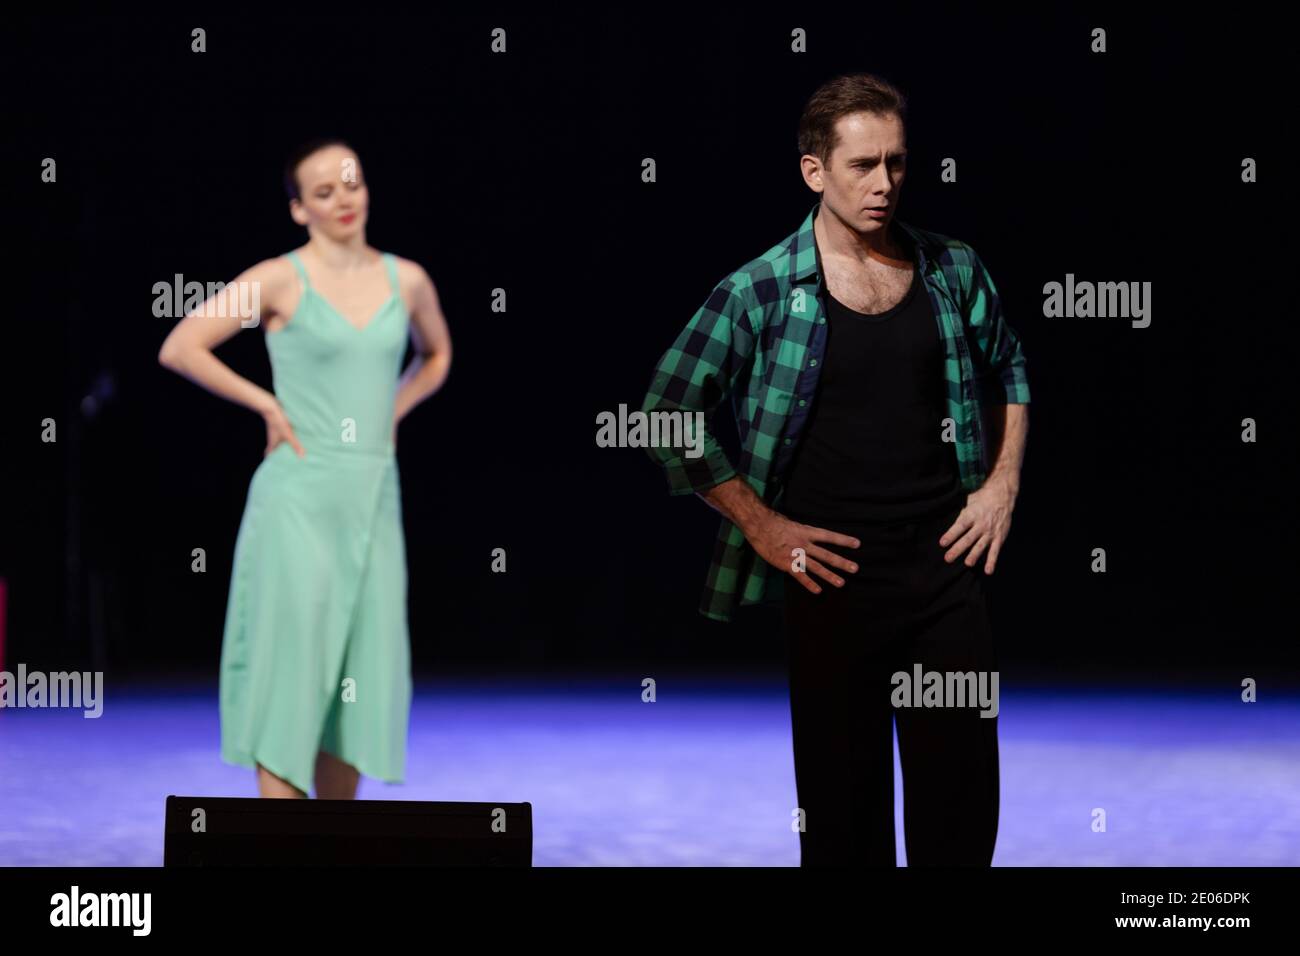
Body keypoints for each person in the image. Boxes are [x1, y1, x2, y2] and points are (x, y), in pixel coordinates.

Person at [639, 74, 1030, 864]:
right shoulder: (760, 290)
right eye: (862, 166)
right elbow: (664, 412)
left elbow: (1010, 367)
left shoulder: (951, 268)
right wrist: (761, 523)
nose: (884, 183)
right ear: (815, 171)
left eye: (896, 162)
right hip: (830, 584)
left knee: (960, 815)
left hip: (944, 576)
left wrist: (1001, 486)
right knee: (842, 824)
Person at [158, 139, 452, 799]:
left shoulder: (407, 280)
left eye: (350, 182)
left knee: (357, 679)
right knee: (294, 674)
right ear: (298, 209)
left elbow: (436, 355)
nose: (342, 199)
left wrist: (392, 412)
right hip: (299, 493)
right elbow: (181, 346)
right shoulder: (280, 279)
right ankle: (279, 854)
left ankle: (332, 851)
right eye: (323, 192)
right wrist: (264, 402)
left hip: (373, 492)